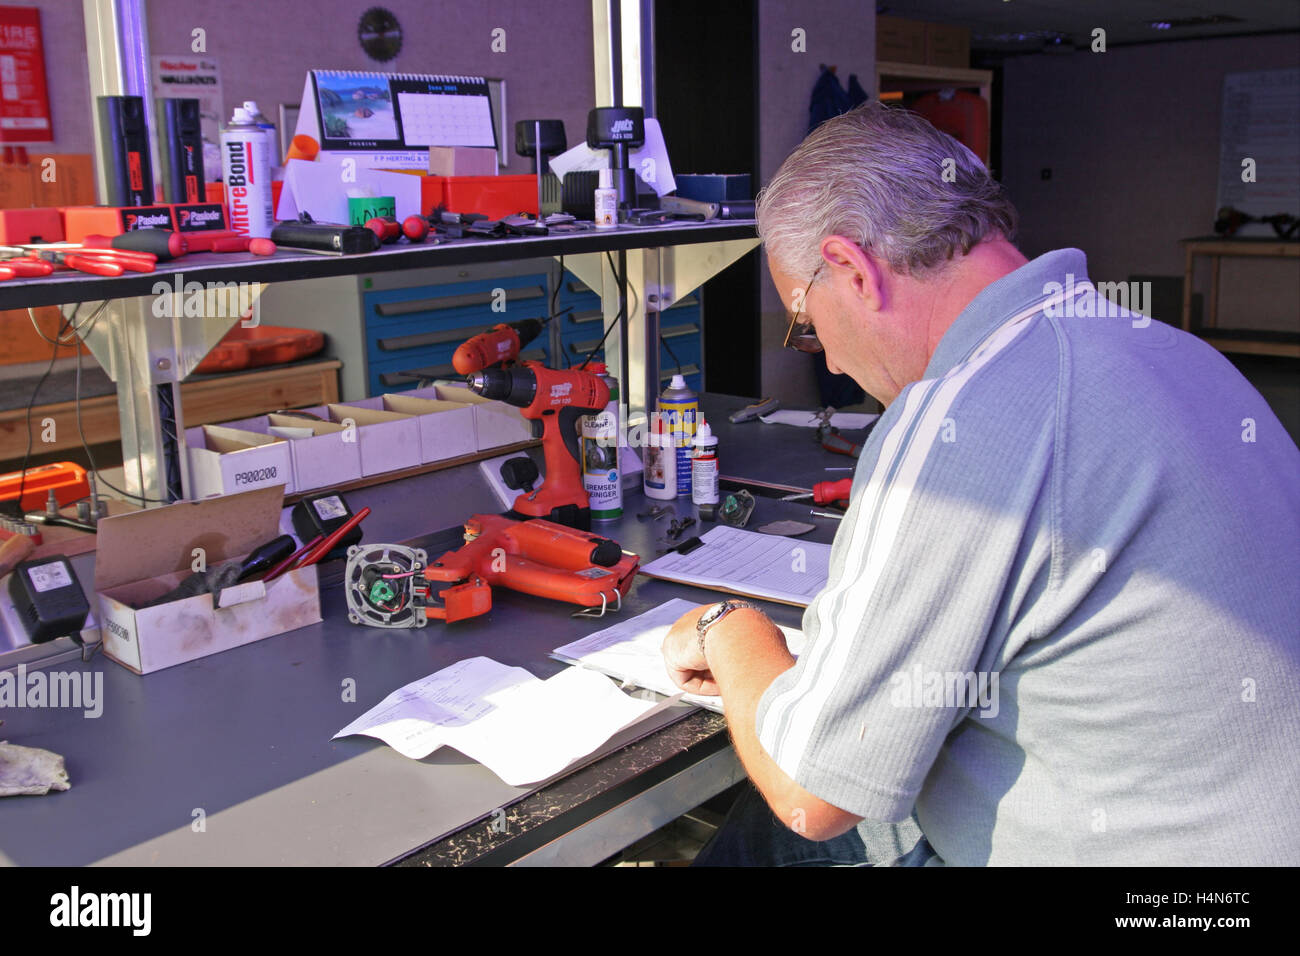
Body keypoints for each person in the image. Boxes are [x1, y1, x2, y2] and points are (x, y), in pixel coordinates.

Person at [661, 102, 1300, 866]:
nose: (827, 358)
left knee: (775, 827)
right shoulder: (1177, 353)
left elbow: (813, 790)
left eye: (805, 321)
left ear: (852, 269)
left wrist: (729, 627)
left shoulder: (961, 413)